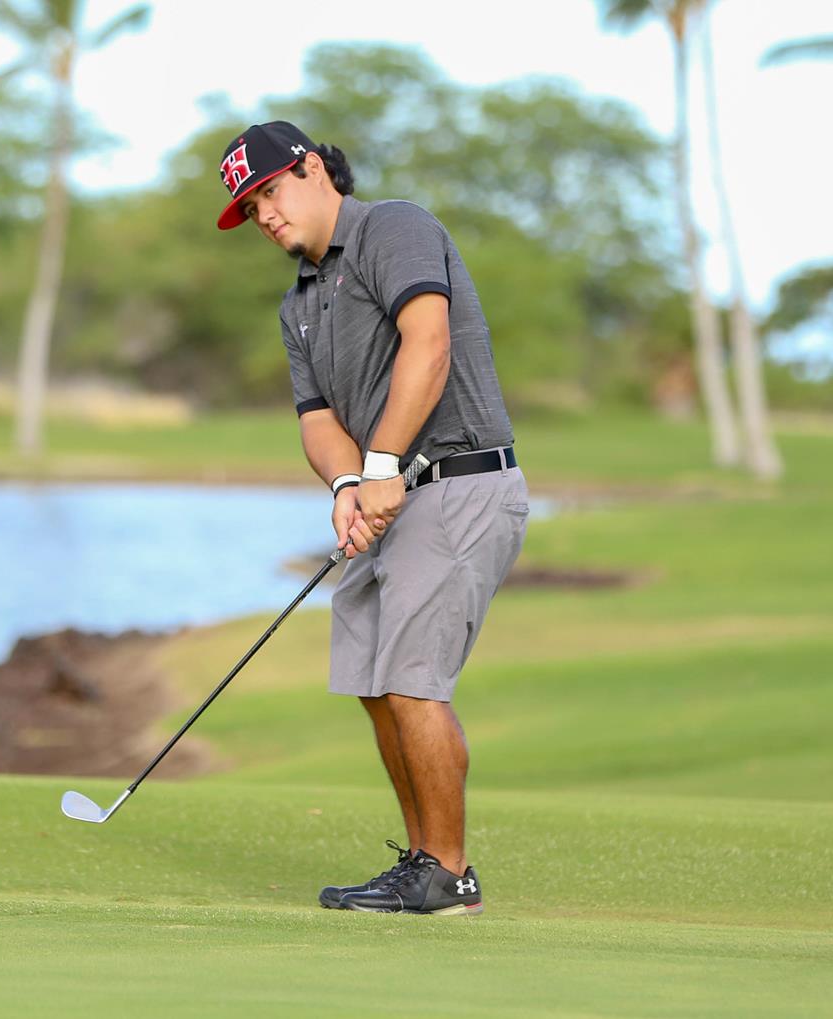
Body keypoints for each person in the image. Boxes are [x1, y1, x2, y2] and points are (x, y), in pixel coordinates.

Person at [215, 121, 528, 916]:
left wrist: (384, 465)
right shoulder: (299, 304)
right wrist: (351, 482)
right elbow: (316, 419)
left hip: (457, 482)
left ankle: (448, 873)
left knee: (412, 682)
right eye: (250, 211)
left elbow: (428, 348)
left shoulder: (395, 226)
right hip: (390, 498)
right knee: (374, 683)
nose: (265, 218)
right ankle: (424, 860)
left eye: (269, 194)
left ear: (313, 170)